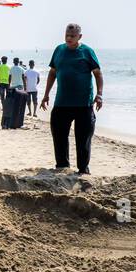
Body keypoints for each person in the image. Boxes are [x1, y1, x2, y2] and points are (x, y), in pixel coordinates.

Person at [41, 23, 103, 174]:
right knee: (59, 135)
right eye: (67, 35)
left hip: (84, 103)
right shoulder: (59, 50)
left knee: (83, 140)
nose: (69, 38)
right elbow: (52, 73)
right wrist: (46, 94)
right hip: (62, 102)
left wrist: (99, 94)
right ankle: (62, 167)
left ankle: (83, 170)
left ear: (79, 36)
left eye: (72, 36)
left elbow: (98, 74)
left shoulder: (87, 51)